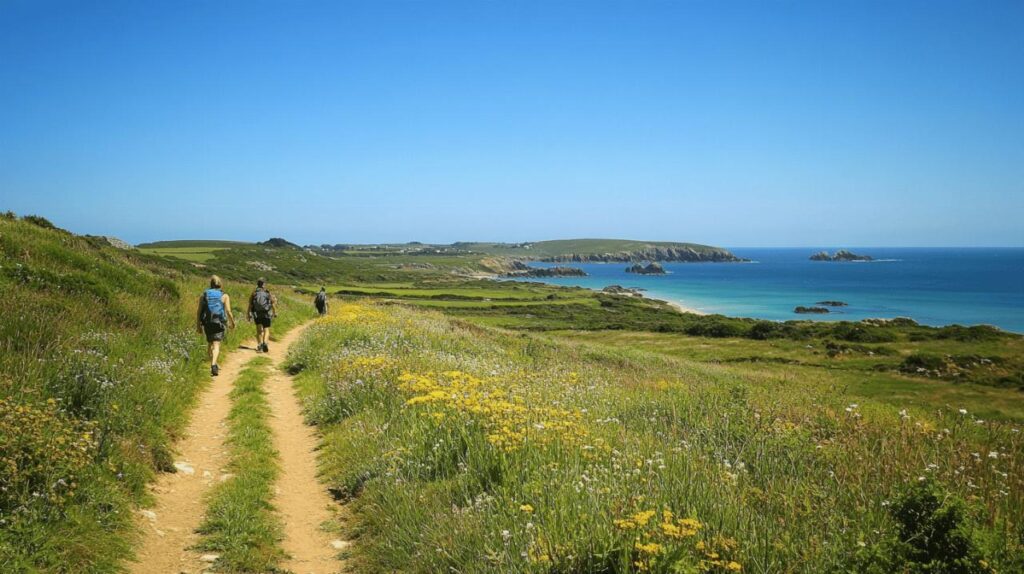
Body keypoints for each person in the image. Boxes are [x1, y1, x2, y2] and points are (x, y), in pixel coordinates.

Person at [196, 275, 235, 376]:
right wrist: (232, 322)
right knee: (216, 344)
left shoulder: (204, 295)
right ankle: (213, 365)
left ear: (211, 284)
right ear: (220, 284)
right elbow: (228, 311)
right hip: (219, 322)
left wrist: (198, 326)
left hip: (207, 322)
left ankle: (213, 362)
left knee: (210, 343)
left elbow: (199, 312)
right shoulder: (224, 295)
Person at [246, 277, 277, 353]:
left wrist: (248, 314)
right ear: (264, 284)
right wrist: (274, 312)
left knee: (259, 330)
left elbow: (250, 305)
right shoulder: (267, 293)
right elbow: (272, 304)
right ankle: (265, 343)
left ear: (257, 284)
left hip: (257, 314)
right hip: (266, 313)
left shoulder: (254, 293)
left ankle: (260, 345)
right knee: (266, 329)